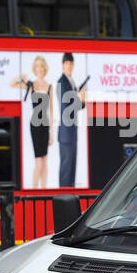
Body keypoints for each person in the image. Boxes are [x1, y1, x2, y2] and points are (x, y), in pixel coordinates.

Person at [10, 56, 53, 189]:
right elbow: (12, 84)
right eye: (37, 66)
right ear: (35, 69)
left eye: (41, 66)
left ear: (44, 68)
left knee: (45, 161)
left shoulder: (49, 86)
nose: (39, 69)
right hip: (35, 124)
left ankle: (44, 189)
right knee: (39, 161)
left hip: (45, 124)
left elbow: (51, 110)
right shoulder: (31, 85)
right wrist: (20, 76)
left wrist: (51, 132)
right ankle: (35, 189)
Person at [55, 52, 87, 188]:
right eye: (67, 64)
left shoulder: (70, 81)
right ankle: (64, 196)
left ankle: (69, 194)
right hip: (66, 134)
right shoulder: (62, 82)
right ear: (63, 65)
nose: (69, 67)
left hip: (71, 132)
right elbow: (67, 106)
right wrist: (80, 97)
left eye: (71, 64)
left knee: (71, 169)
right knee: (66, 170)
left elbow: (76, 105)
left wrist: (82, 99)